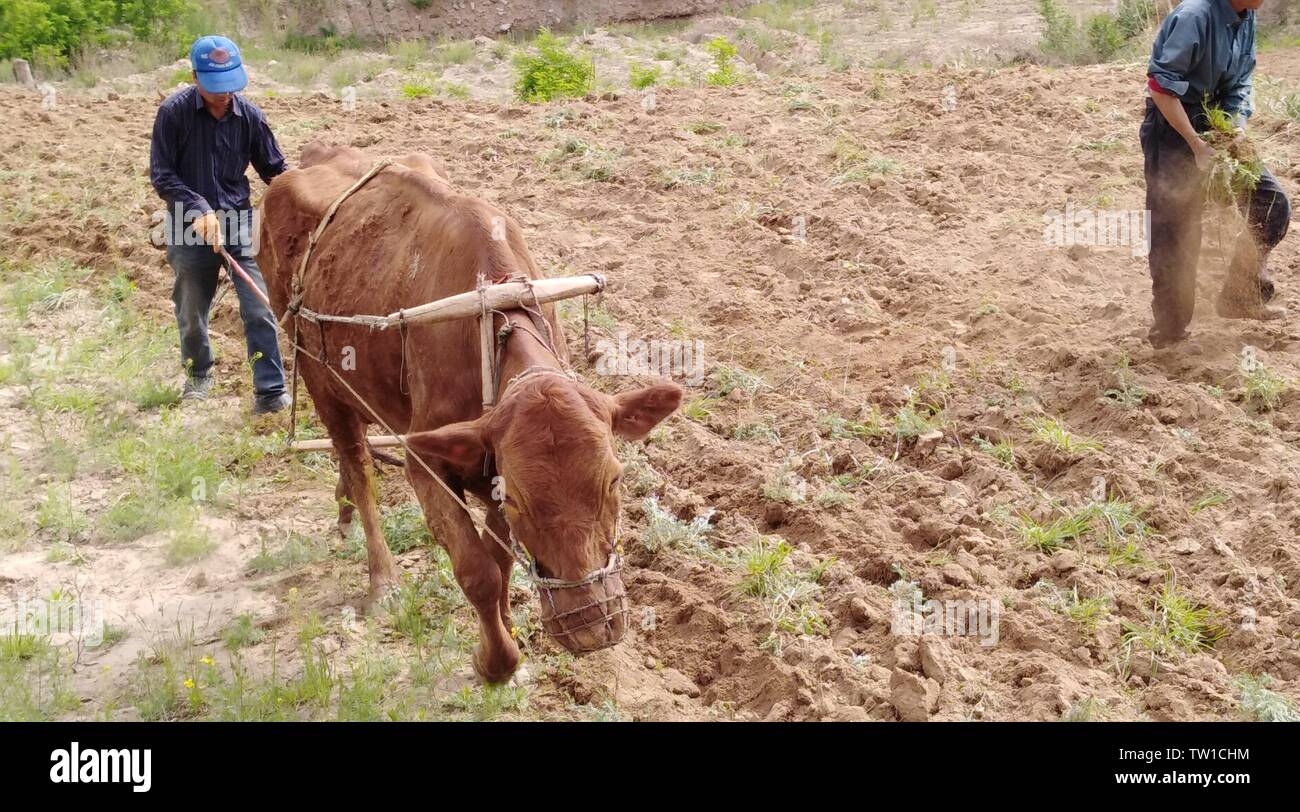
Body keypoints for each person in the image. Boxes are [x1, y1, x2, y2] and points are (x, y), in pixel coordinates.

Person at [149, 34, 291, 413]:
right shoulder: (173, 113)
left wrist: (304, 191)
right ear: (195, 77)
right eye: (216, 87)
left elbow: (275, 170)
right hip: (187, 223)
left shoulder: (250, 117)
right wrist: (199, 208)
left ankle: (271, 391)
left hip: (241, 220)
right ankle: (198, 376)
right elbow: (162, 176)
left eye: (231, 85)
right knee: (192, 308)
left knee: (260, 307)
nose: (226, 94)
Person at [1141, 0, 1289, 349]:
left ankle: (1241, 295)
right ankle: (1170, 329)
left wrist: (1233, 127)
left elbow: (1240, 83)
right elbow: (1161, 86)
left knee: (1270, 203)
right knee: (1176, 230)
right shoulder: (1195, 17)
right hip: (1174, 129)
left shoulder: (1246, 17)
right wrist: (1195, 144)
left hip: (1215, 124)